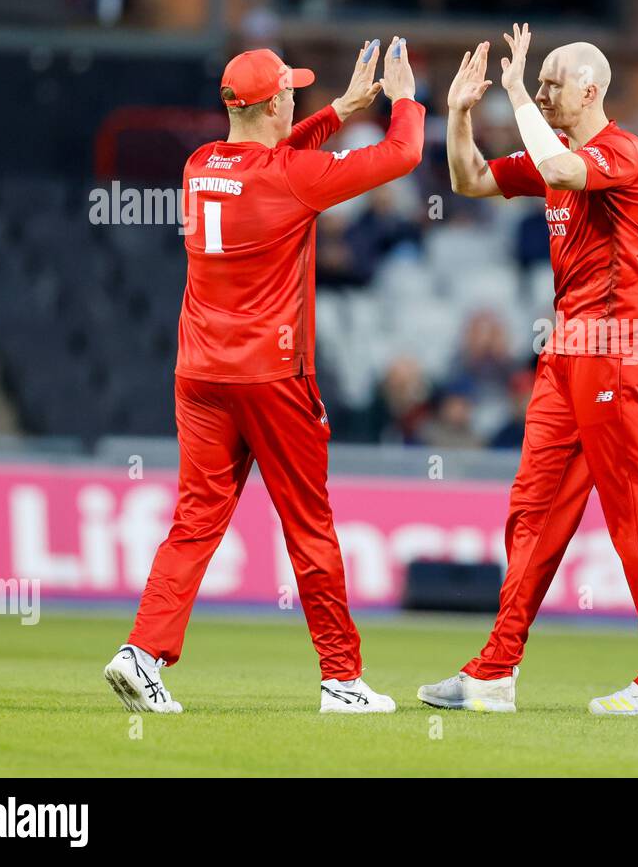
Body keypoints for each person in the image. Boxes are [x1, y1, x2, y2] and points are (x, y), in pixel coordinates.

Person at [104, 39, 424, 715]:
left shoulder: (198, 165)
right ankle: (341, 678)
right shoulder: (292, 178)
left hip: (199, 373)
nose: (296, 102)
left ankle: (141, 651)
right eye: (293, 95)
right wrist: (404, 99)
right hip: (272, 376)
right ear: (275, 102)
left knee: (194, 521)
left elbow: (265, 158)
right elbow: (401, 155)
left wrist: (336, 111)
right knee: (309, 525)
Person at [419, 25, 638, 716]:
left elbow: (564, 172)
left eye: (550, 82)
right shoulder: (557, 151)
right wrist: (457, 114)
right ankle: (494, 670)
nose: (540, 90)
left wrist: (514, 95)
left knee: (632, 512)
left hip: (616, 344)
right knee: (531, 512)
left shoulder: (620, 152)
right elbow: (468, 178)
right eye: (536, 83)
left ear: (591, 89)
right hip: (567, 348)